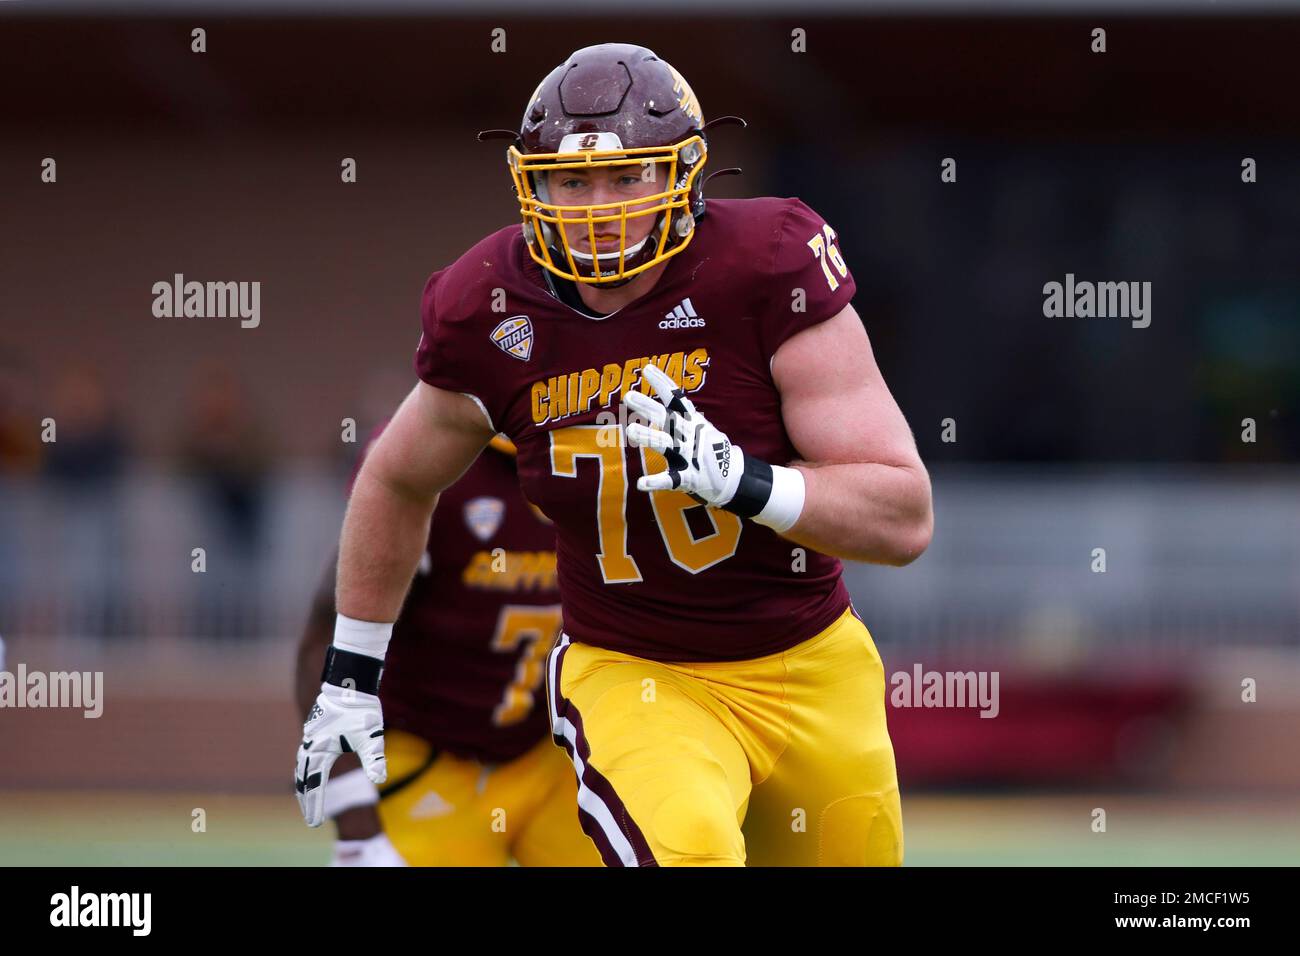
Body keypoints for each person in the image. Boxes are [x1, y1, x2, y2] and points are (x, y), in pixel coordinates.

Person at [296, 42, 932, 866]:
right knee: (686, 852)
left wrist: (752, 485)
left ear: (684, 176)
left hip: (811, 662)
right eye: (572, 181)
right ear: (534, 185)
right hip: (638, 674)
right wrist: (352, 674)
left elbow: (902, 515)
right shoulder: (489, 304)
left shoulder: (765, 263)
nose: (599, 205)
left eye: (628, 176)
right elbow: (394, 474)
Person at [295, 428, 599, 866]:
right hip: (428, 752)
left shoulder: (613, 452)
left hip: (548, 750)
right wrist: (355, 825)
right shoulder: (433, 451)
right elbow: (323, 640)